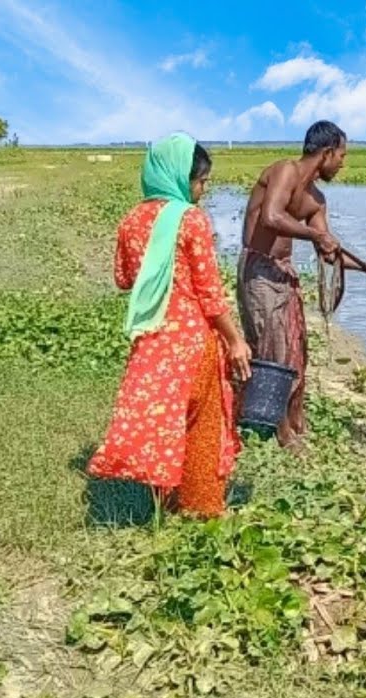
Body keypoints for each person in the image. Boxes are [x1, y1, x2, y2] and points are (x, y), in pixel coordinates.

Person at [87, 133, 253, 518]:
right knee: (204, 427)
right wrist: (236, 340)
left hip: (152, 340)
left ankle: (167, 502)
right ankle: (202, 506)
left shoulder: (131, 220)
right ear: (180, 177)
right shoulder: (191, 219)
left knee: (167, 422)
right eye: (201, 181)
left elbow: (124, 278)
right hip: (194, 341)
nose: (203, 190)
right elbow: (210, 294)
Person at [236, 120, 366, 449]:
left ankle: (295, 421)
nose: (342, 163)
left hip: (284, 273)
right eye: (342, 155)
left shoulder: (317, 200)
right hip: (259, 271)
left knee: (297, 352)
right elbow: (271, 216)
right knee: (272, 348)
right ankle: (280, 433)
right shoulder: (285, 171)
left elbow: (328, 253)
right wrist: (315, 234)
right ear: (326, 153)